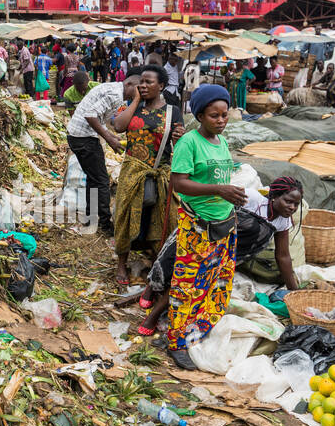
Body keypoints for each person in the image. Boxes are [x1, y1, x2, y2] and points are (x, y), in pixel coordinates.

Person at [139, 176, 304, 335]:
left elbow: (282, 257)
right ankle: (151, 290)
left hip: (230, 253)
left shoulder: (283, 221)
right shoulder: (252, 198)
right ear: (273, 197)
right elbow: (218, 205)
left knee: (193, 280)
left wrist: (295, 293)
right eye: (288, 201)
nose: (292, 208)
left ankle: (157, 311)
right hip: (210, 235)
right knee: (172, 260)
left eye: (296, 204)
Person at [165, 85, 245, 369]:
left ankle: (198, 330)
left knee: (215, 281)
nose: (221, 120)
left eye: (225, 115)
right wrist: (219, 190)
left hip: (223, 224)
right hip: (197, 226)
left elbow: (222, 177)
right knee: (187, 284)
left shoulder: (221, 142)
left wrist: (231, 194)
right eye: (214, 115)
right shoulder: (190, 142)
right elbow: (179, 182)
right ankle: (176, 341)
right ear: (200, 115)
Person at [111, 67, 183, 285]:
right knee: (125, 214)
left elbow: (178, 146)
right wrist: (135, 102)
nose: (142, 85)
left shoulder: (173, 111)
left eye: (148, 82)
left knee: (160, 216)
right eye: (140, 82)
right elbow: (119, 126)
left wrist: (181, 137)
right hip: (133, 171)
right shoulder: (132, 107)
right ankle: (122, 262)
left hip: (160, 171)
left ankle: (157, 258)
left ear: (161, 86)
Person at [65, 75, 127, 236]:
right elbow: (91, 115)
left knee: (93, 179)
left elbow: (104, 117)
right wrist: (109, 138)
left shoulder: (112, 88)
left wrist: (112, 135)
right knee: (101, 180)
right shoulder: (116, 94)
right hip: (83, 138)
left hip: (78, 136)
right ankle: (105, 224)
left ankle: (90, 218)